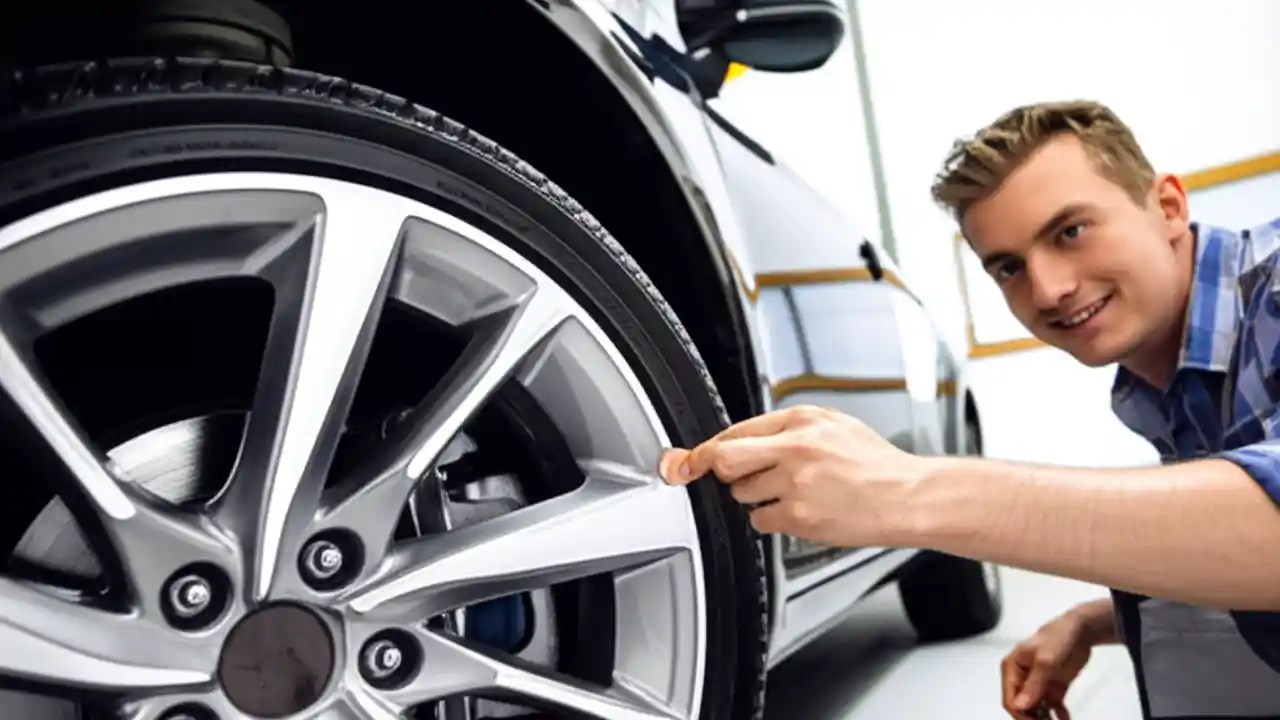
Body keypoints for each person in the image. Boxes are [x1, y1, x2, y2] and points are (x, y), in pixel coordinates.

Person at [657, 99, 1280, 719]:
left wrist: (907, 492)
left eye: (1070, 232)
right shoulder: (1157, 381)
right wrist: (1102, 619)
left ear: (1168, 206)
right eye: (1008, 267)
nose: (1047, 290)